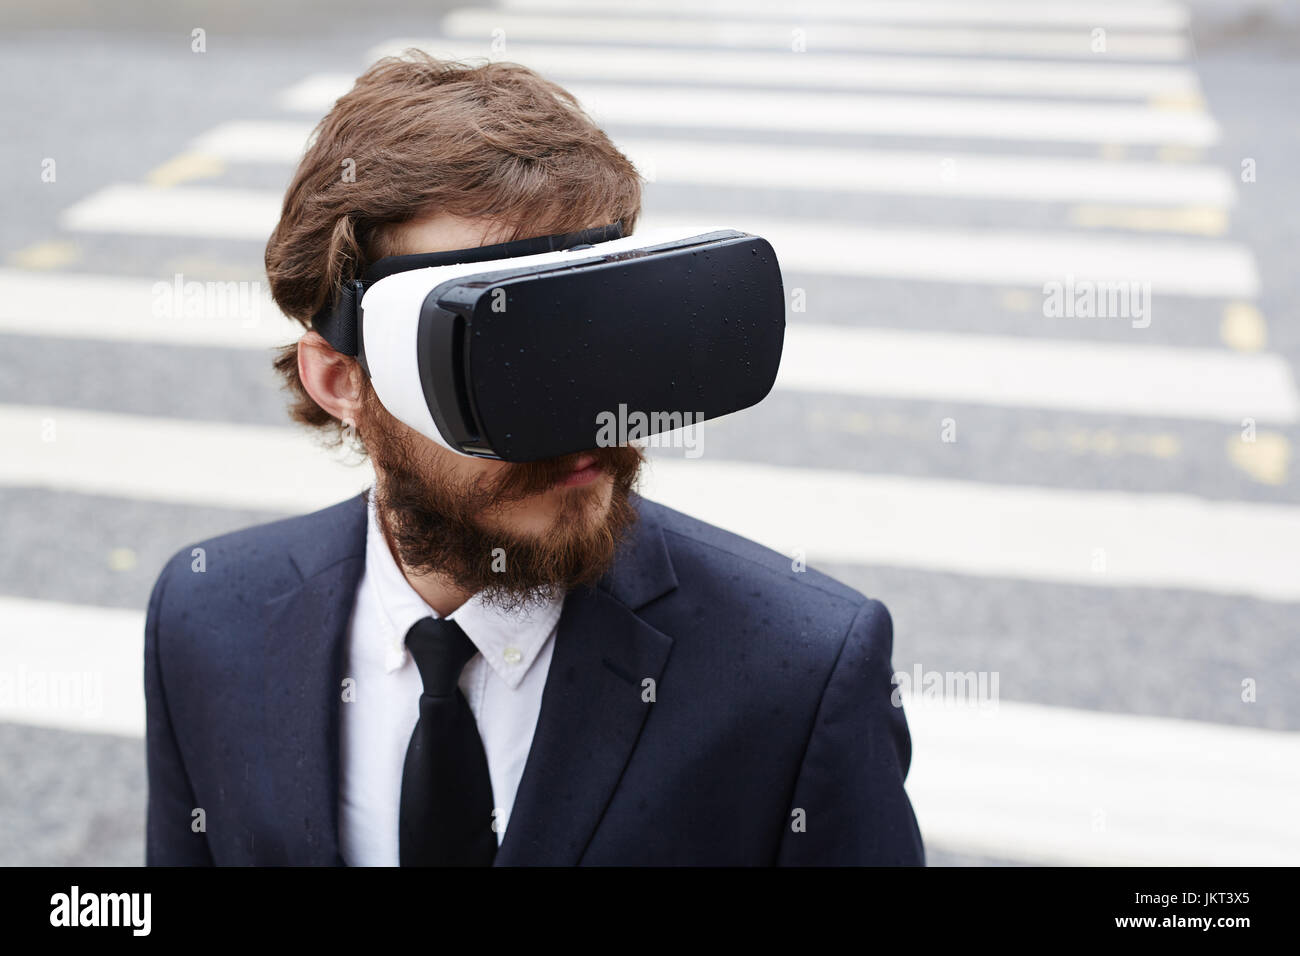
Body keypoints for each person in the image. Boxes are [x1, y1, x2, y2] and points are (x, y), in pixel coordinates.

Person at [143, 50, 924, 866]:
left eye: (599, 337)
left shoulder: (799, 672)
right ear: (341, 380)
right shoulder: (207, 620)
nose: (587, 423)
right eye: (503, 359)